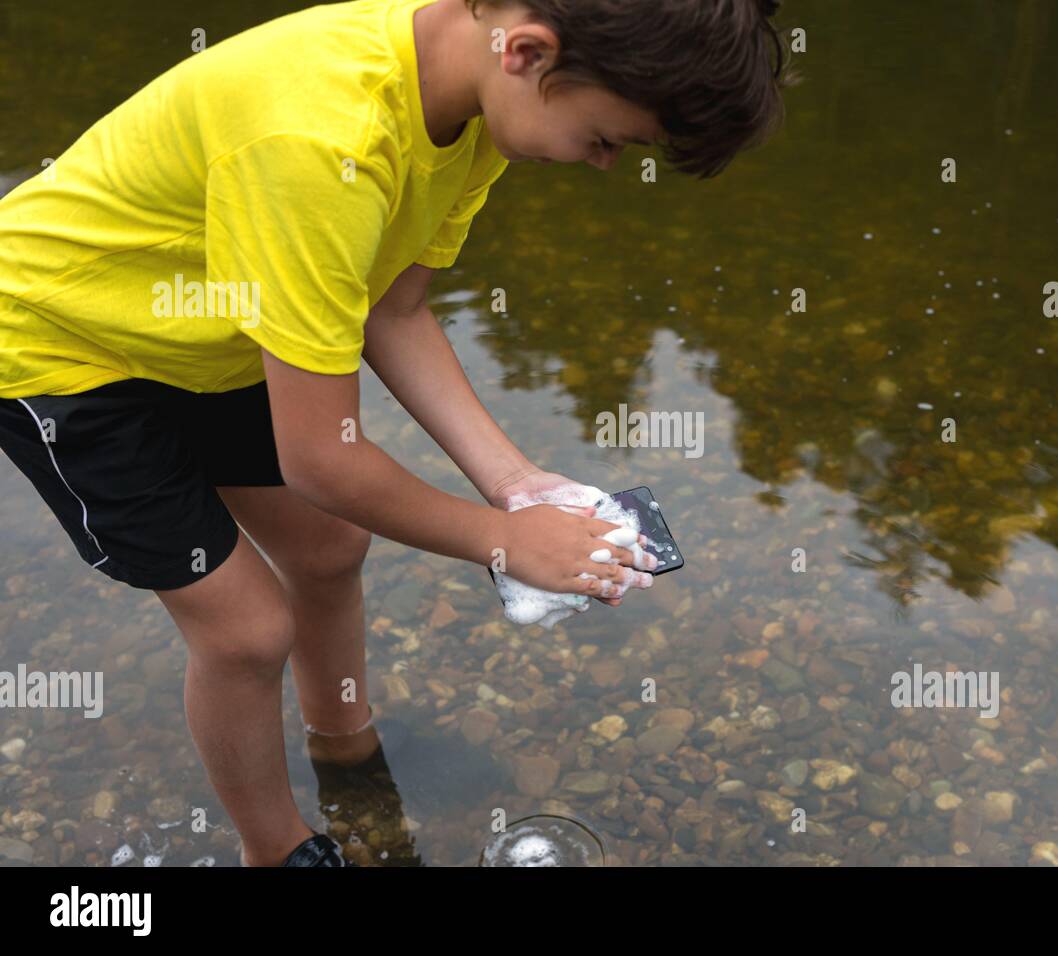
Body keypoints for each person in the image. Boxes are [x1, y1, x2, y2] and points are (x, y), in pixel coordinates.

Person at [0, 0, 788, 866]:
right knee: (245, 631)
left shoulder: (475, 101)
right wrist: (501, 540)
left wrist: (515, 484)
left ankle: (344, 746)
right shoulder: (321, 141)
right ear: (529, 51)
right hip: (62, 348)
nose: (602, 165)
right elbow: (320, 459)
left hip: (214, 326)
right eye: (607, 140)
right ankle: (277, 848)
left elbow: (394, 308)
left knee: (332, 547)